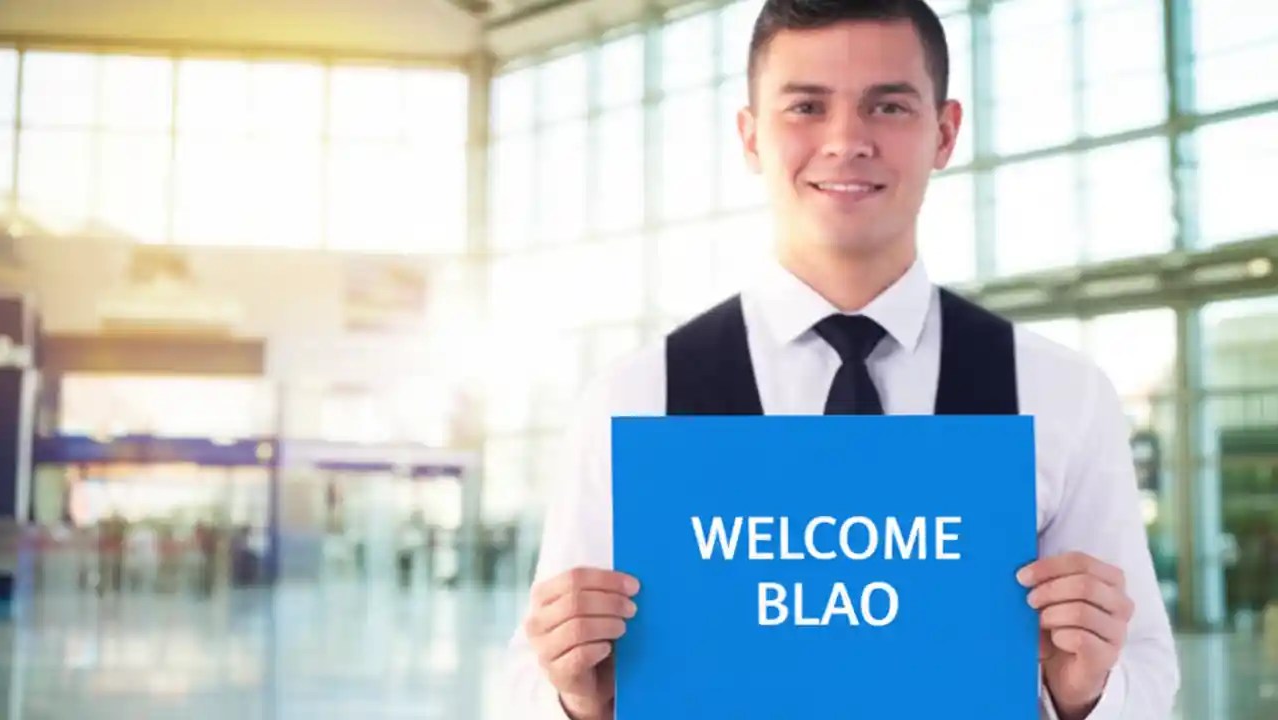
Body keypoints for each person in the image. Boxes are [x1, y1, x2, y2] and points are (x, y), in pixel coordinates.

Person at [504, 1, 1179, 718]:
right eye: (805, 107)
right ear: (751, 135)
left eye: (887, 106)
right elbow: (528, 685)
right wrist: (576, 697)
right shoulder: (634, 399)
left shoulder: (1059, 394)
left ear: (944, 132)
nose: (846, 140)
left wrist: (1084, 693)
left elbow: (1146, 675)